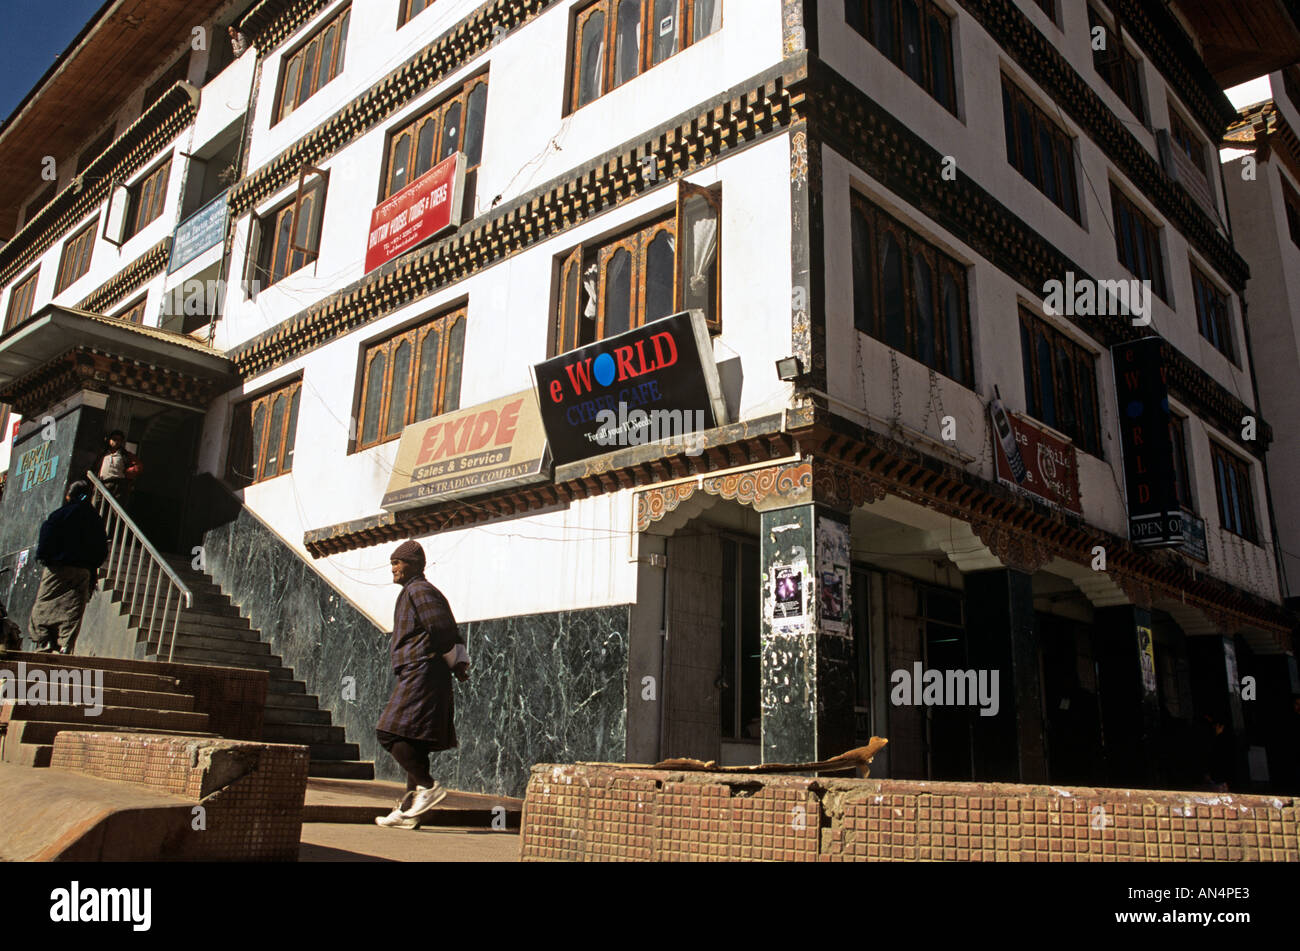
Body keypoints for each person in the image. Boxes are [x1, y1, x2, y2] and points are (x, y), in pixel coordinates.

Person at [374, 539, 470, 830]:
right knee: (414, 740)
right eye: (392, 562)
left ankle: (428, 788)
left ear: (414, 565)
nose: (393, 568)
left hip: (423, 670)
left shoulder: (419, 590)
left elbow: (441, 629)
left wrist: (455, 662)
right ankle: (408, 811)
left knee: (389, 732)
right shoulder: (413, 591)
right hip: (418, 670)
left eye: (397, 562)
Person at [28, 481, 108, 655]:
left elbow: (47, 537)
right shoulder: (95, 520)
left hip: (57, 567)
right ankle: (66, 644)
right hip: (82, 571)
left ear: (68, 495)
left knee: (44, 603)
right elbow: (101, 548)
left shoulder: (60, 515)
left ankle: (45, 640)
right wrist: (92, 566)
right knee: (73, 608)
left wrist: (45, 557)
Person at [96, 430, 141, 505]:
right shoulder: (103, 453)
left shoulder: (125, 455)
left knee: (115, 507)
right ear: (109, 440)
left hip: (118, 486)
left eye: (119, 440)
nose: (116, 442)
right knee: (98, 504)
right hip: (102, 483)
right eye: (114, 439)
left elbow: (138, 466)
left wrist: (128, 473)